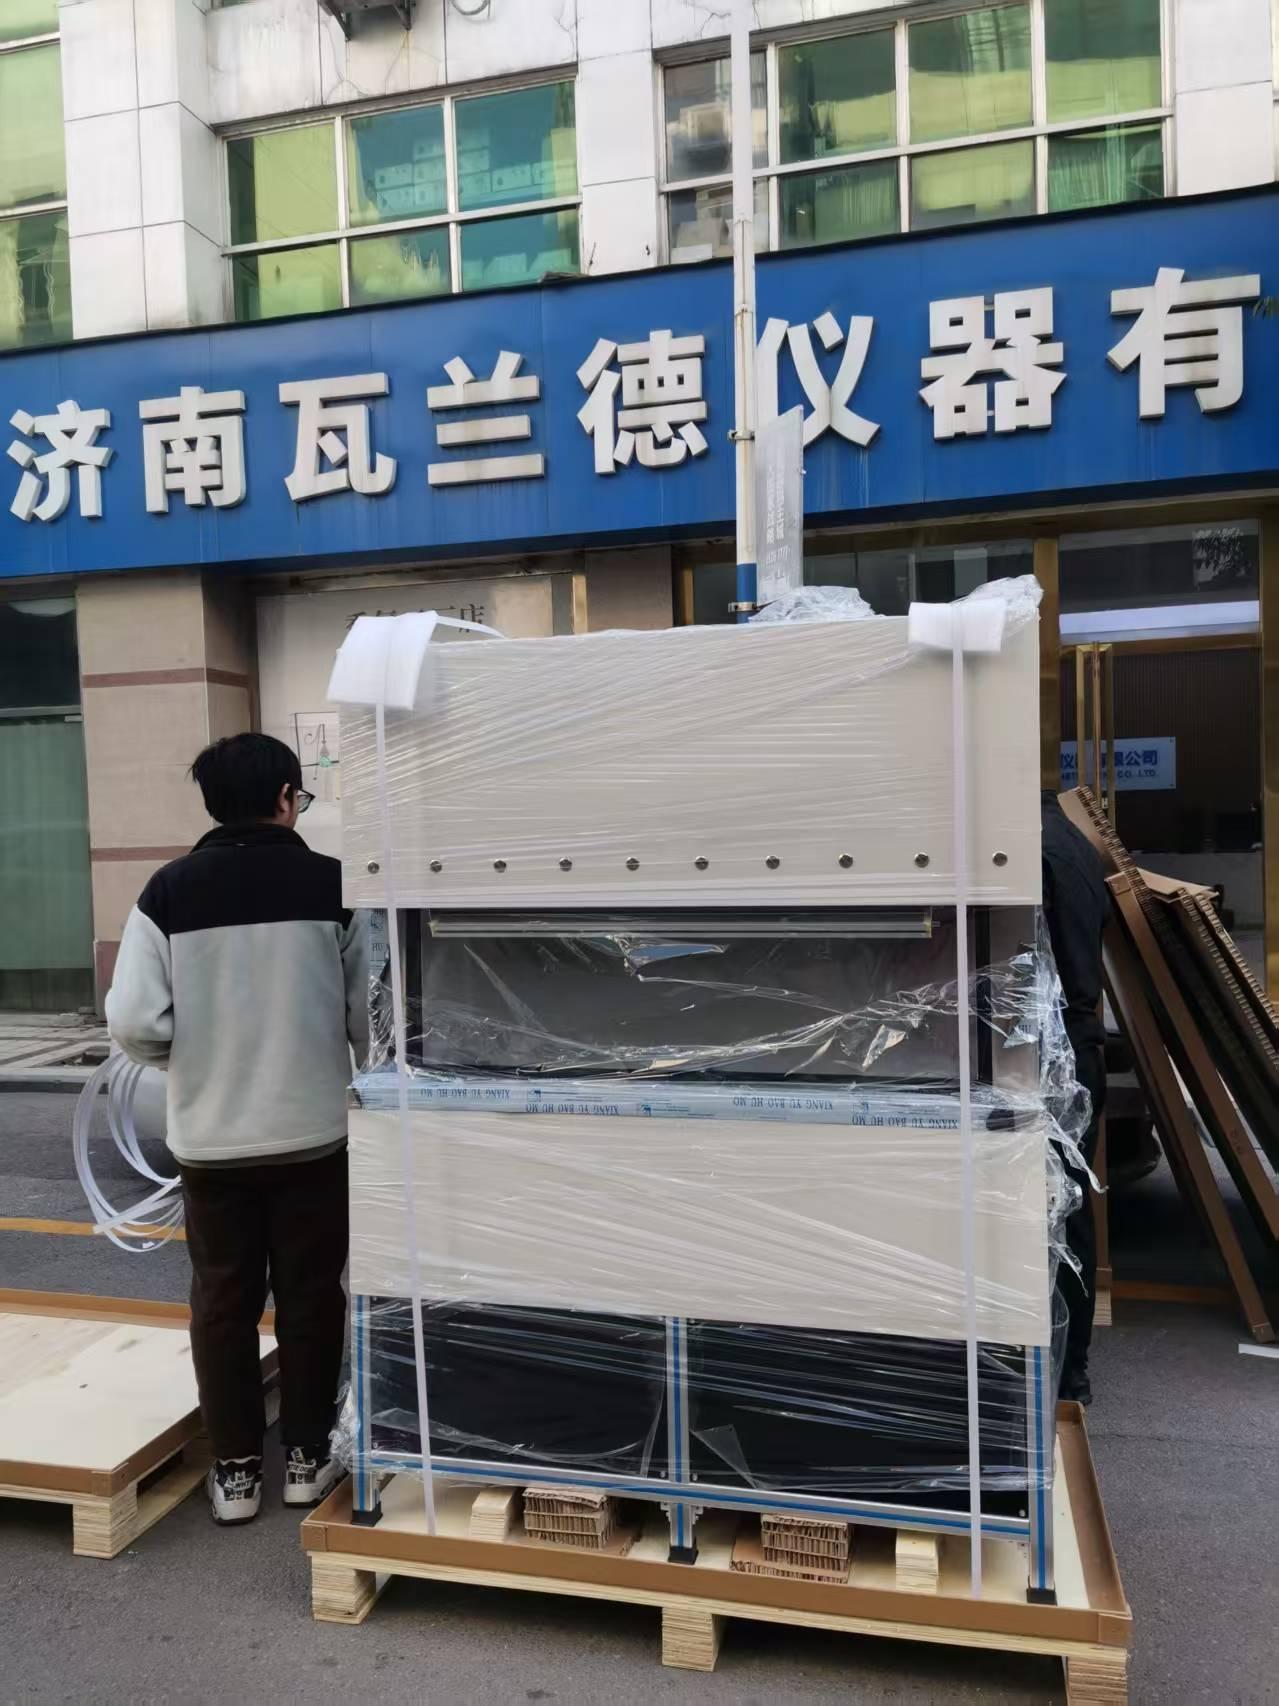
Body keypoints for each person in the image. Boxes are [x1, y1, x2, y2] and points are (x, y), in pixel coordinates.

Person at [107, 733, 368, 1525]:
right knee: (311, 1297)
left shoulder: (166, 893)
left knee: (222, 1302)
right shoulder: (334, 886)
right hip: (311, 1135)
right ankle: (307, 1457)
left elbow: (133, 1022)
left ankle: (235, 1471)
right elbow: (370, 1015)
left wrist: (193, 1058)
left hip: (211, 1142)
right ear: (287, 798)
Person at [1041, 790, 1109, 1406]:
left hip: (1048, 1052)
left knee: (1052, 1210)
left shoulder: (1026, 848)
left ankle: (1065, 1371)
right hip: (1077, 1045)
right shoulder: (1077, 845)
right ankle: (1070, 1367)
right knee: (1068, 1207)